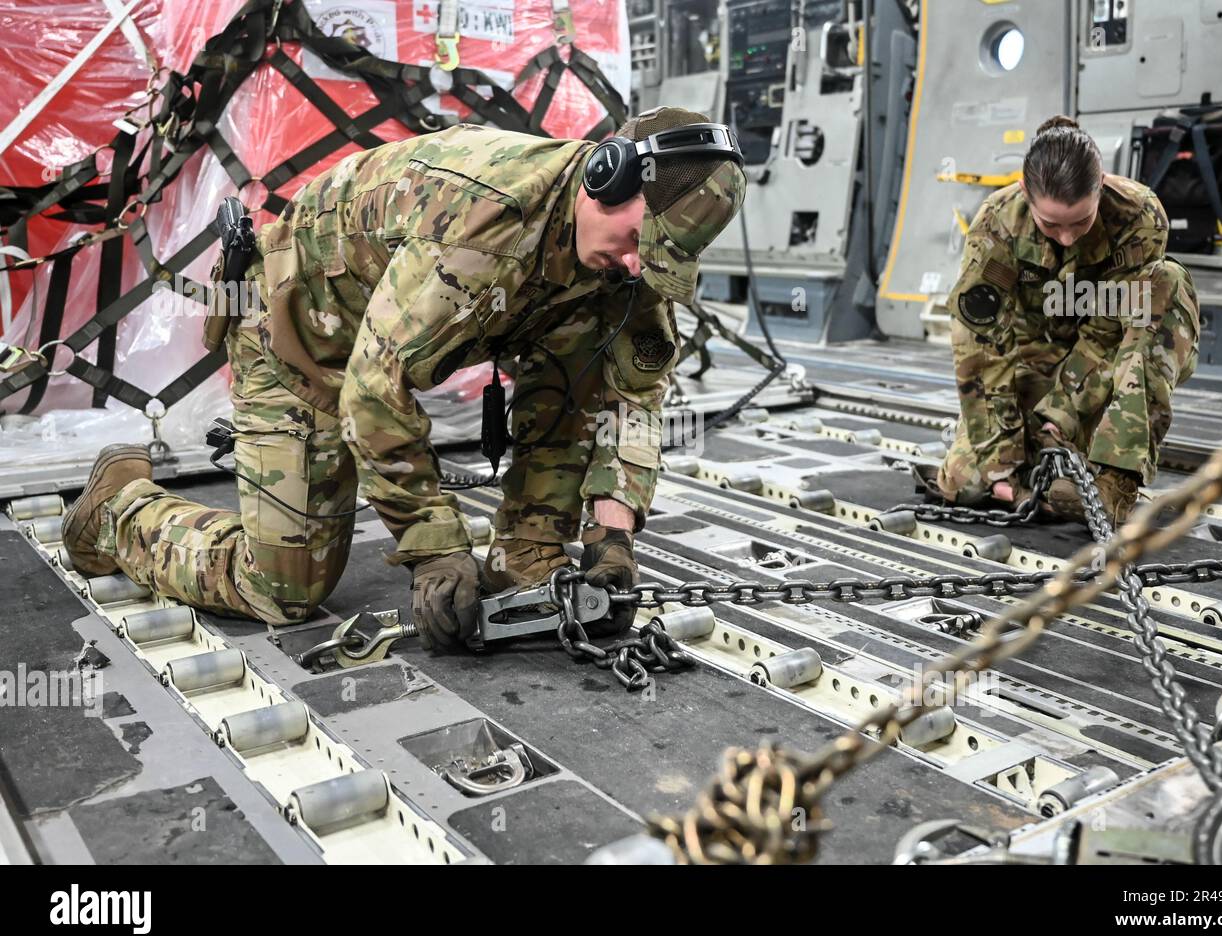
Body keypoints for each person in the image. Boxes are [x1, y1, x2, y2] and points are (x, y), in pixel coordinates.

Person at [60, 107, 746, 649]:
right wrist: (434, 549)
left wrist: (612, 539)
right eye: (633, 242)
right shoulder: (486, 223)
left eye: (655, 260)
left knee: (584, 360)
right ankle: (118, 511)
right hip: (302, 339)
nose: (634, 267)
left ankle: (523, 554)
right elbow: (374, 389)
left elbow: (631, 401)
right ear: (607, 175)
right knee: (281, 589)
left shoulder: (633, 267)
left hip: (381, 347)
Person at [935, 114, 1200, 523]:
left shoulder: (1138, 218)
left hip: (1109, 368)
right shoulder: (998, 223)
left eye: (1081, 221)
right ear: (1025, 192)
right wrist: (1000, 458)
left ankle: (1115, 480)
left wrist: (1060, 415)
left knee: (1167, 283)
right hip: (1033, 363)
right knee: (966, 482)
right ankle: (1057, 468)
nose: (1067, 237)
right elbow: (981, 342)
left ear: (1100, 186)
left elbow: (1106, 335)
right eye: (1051, 224)